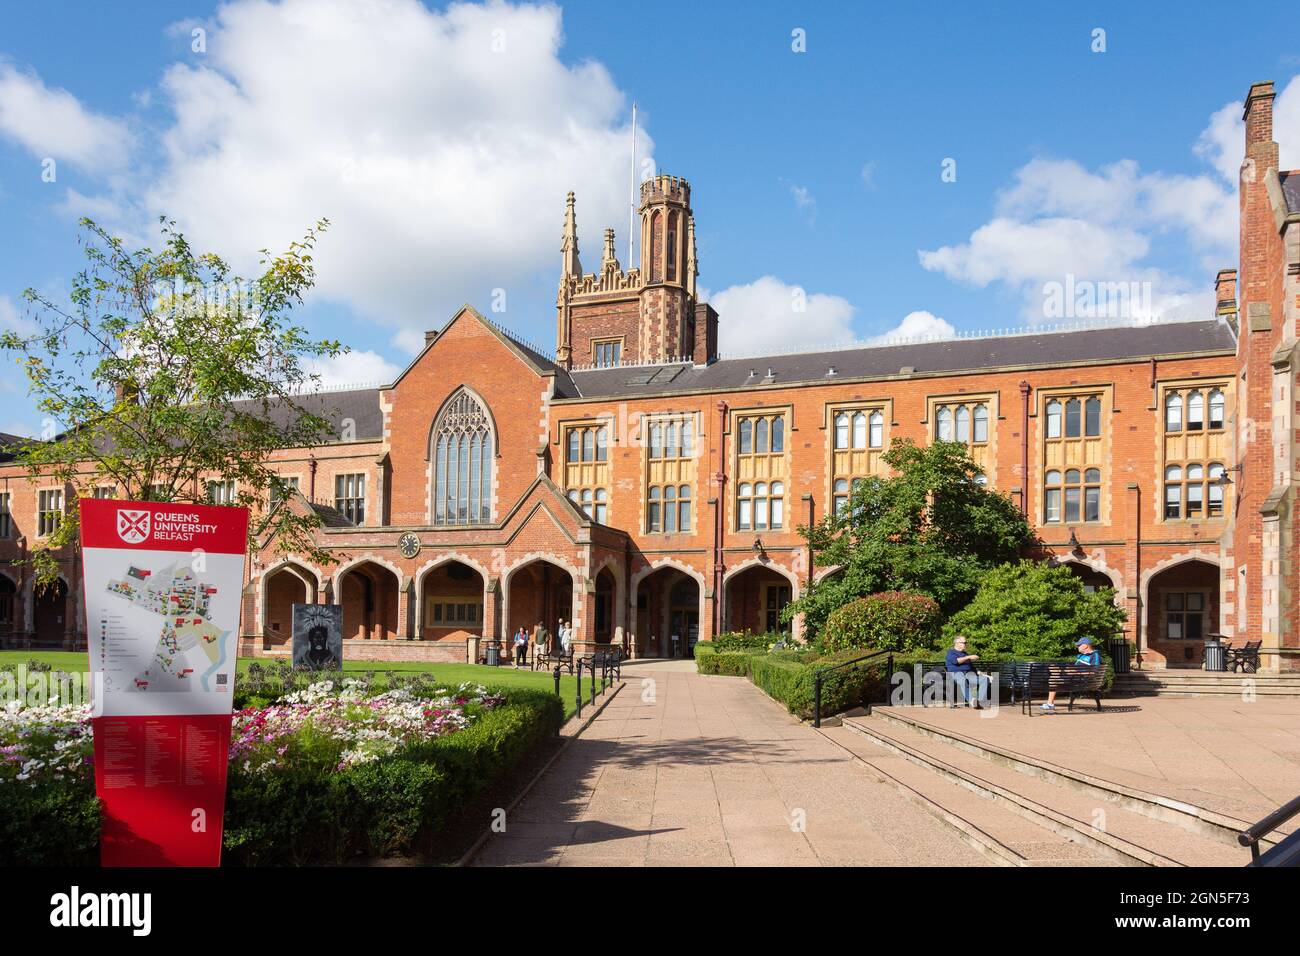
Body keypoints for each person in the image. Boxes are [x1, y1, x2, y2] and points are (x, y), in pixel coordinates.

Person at [1042, 637, 1100, 711]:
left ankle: (1050, 704)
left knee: (1053, 679)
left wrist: (1077, 672)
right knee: (1054, 670)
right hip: (1074, 677)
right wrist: (1067, 670)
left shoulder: (1094, 655)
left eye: (1079, 645)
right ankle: (1050, 704)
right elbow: (1075, 669)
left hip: (1081, 681)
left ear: (1085, 645)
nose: (1077, 647)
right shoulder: (1082, 656)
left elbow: (1094, 672)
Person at [944, 634, 989, 709]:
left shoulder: (965, 653)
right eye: (963, 642)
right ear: (957, 643)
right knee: (962, 680)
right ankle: (972, 700)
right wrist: (969, 657)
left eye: (966, 643)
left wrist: (979, 672)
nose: (965, 644)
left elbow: (971, 666)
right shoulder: (951, 652)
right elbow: (956, 661)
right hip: (956, 673)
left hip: (968, 673)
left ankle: (978, 701)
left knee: (984, 680)